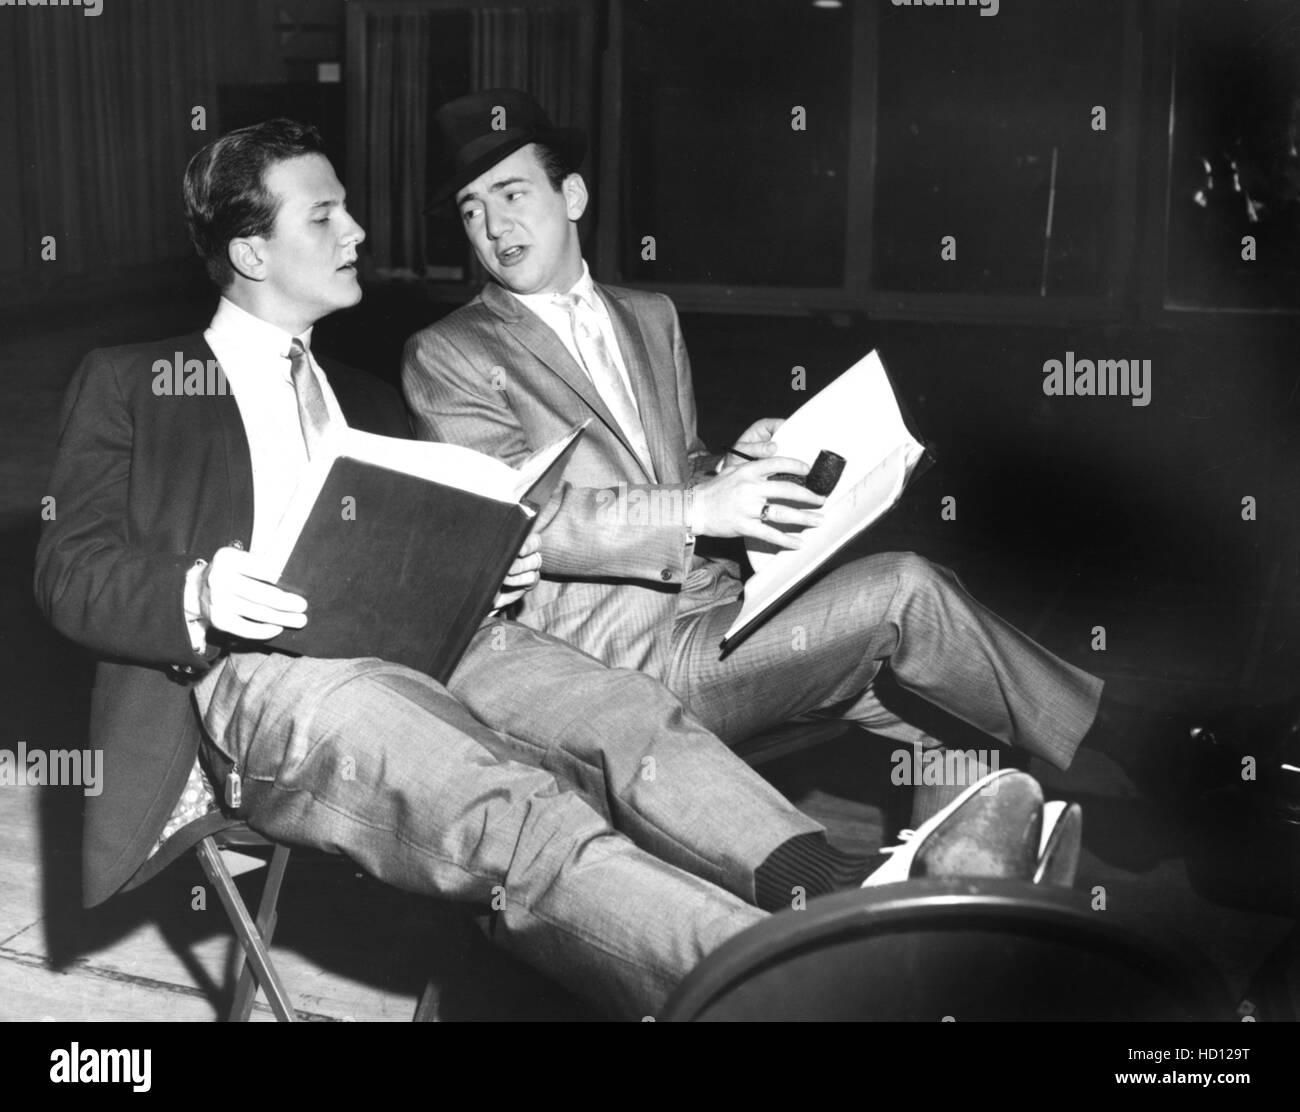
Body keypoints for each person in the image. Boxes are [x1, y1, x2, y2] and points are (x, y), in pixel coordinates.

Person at [35, 118, 1054, 1020]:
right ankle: (786, 983)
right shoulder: (135, 381)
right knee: (515, 807)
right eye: (326, 216)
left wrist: (496, 556)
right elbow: (68, 571)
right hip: (268, 674)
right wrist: (203, 589)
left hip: (440, 640)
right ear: (252, 248)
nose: (357, 233)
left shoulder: (363, 396)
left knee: (629, 716)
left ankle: (849, 893)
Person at [403, 89, 1194, 823]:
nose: (494, 227)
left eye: (513, 194)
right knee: (904, 591)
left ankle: (944, 917)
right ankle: (1142, 743)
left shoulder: (649, 315)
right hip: (614, 662)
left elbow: (675, 467)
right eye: (472, 210)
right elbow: (522, 517)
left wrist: (728, 466)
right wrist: (698, 506)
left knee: (959, 734)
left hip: (724, 612)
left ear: (571, 197)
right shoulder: (450, 353)